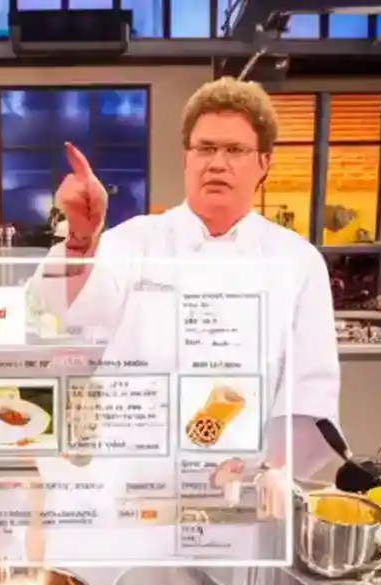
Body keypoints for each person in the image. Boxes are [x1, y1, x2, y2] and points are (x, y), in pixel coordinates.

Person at [27, 77, 341, 523]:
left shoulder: (297, 261)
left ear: (264, 163)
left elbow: (310, 391)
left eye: (235, 151)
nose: (217, 163)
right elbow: (66, 303)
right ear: (186, 158)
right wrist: (80, 238)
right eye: (205, 148)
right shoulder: (137, 240)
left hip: (235, 495)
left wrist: (274, 467)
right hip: (132, 492)